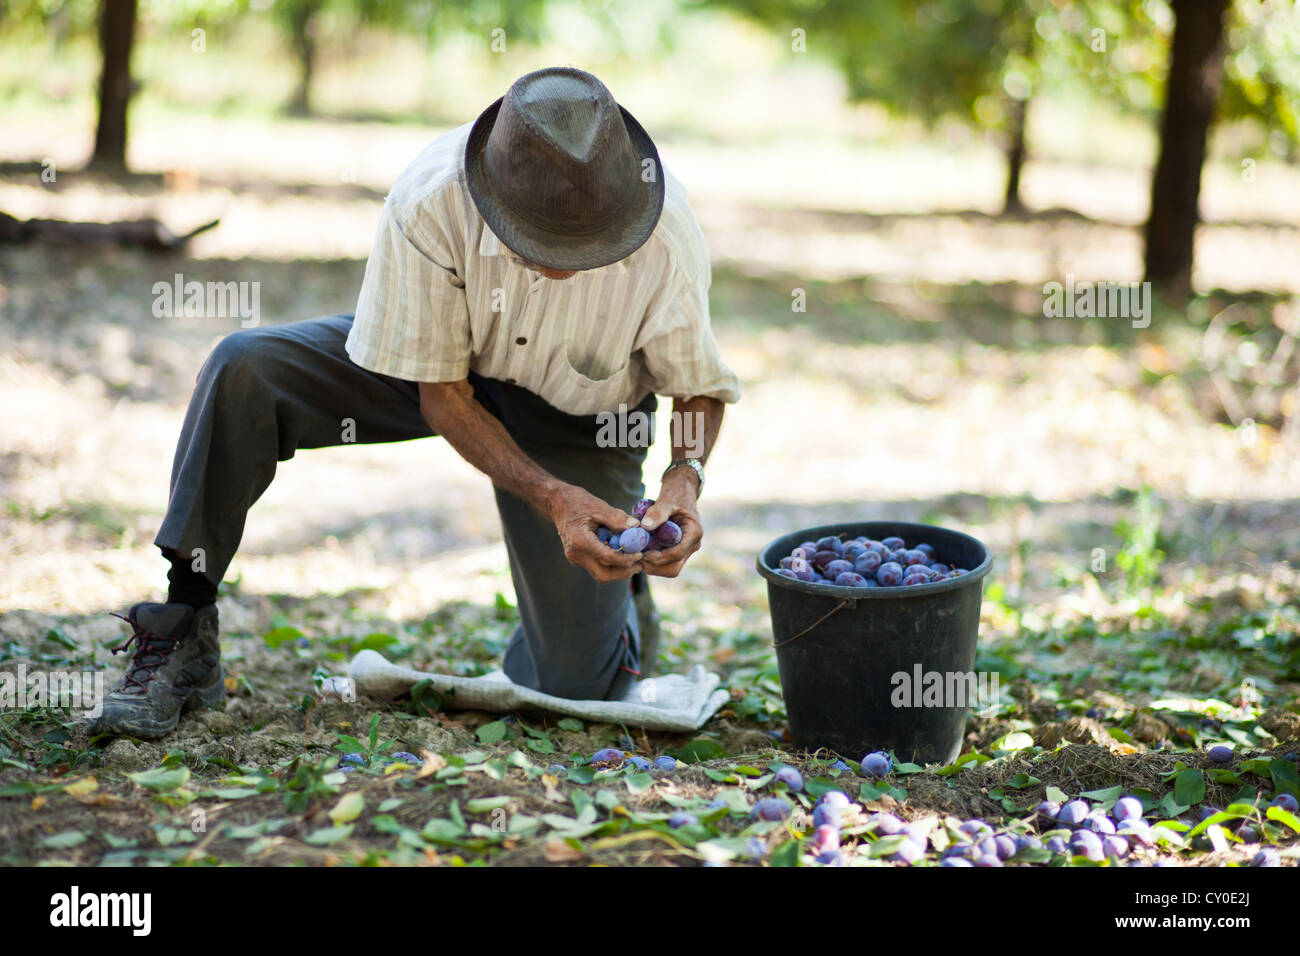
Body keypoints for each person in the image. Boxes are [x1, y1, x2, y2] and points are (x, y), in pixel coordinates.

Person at [87, 66, 741, 739]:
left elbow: (697, 382)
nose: (566, 262)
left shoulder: (665, 234)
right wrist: (552, 498)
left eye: (587, 242)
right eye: (546, 241)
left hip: (584, 413)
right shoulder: (431, 199)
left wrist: (683, 479)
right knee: (245, 369)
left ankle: (617, 612)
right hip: (442, 371)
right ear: (496, 198)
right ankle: (183, 625)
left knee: (572, 685)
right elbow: (443, 397)